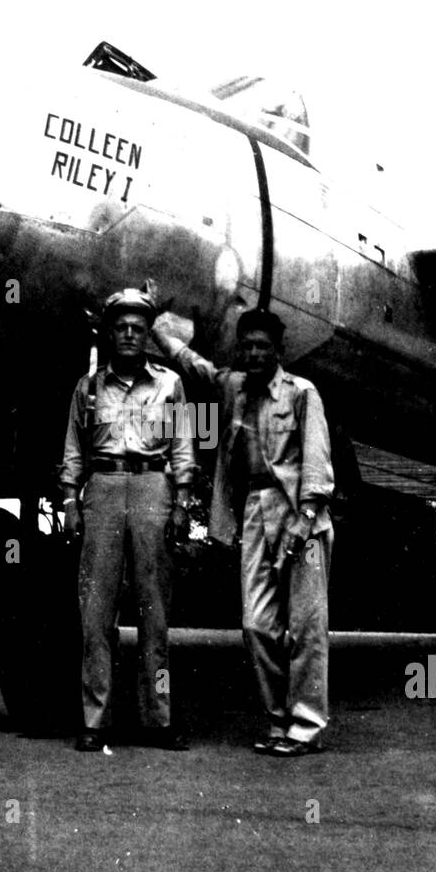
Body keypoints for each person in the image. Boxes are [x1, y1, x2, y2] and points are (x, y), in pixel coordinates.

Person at [154, 308, 334, 756]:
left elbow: (316, 461)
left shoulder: (302, 393)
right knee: (256, 624)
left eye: (263, 347)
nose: (254, 354)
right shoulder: (232, 386)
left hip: (299, 512)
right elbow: (193, 365)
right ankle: (277, 718)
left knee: (308, 625)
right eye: (247, 346)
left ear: (279, 351)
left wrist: (305, 518)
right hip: (255, 510)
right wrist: (158, 326)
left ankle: (305, 727)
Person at [60, 287, 195, 752]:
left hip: (152, 488)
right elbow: (73, 451)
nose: (130, 334)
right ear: (110, 333)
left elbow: (183, 448)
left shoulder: (169, 384)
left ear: (148, 335)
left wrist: (180, 503)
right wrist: (71, 502)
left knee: (155, 613)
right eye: (122, 327)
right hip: (103, 488)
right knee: (96, 613)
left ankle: (158, 720)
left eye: (139, 327)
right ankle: (96, 721)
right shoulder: (88, 387)